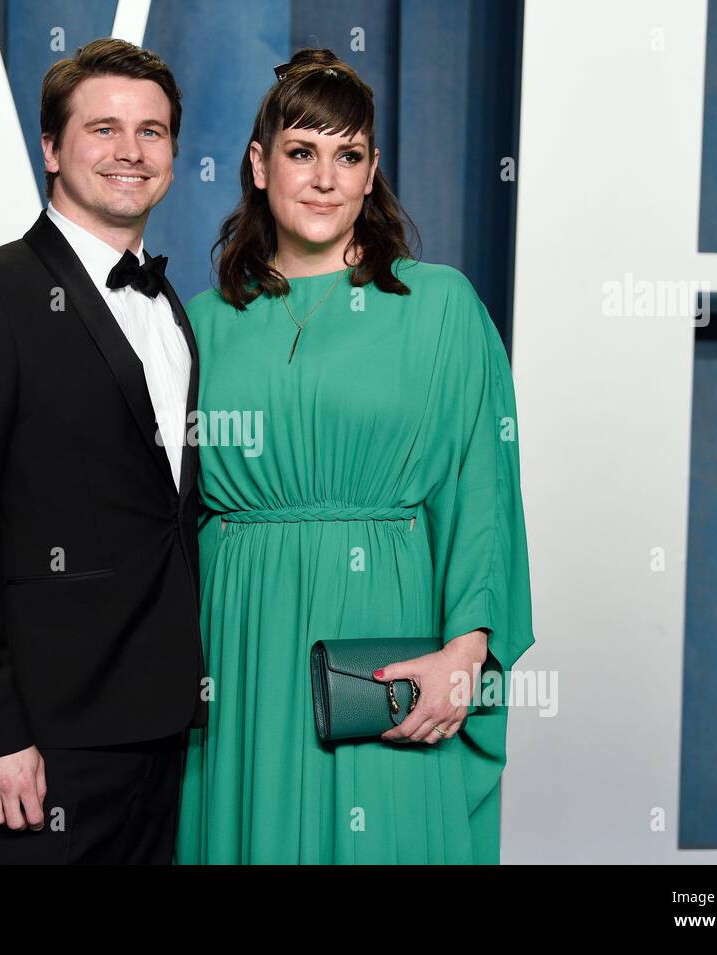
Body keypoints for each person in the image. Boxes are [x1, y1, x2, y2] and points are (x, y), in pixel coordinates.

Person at [175, 49, 536, 864]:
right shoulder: (197, 324)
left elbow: (481, 491)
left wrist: (465, 653)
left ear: (372, 174)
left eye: (348, 156)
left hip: (385, 640)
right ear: (259, 165)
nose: (324, 179)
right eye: (301, 152)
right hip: (238, 647)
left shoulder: (441, 307)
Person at [0, 38, 205, 864]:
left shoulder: (172, 309)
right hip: (38, 736)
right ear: (50, 148)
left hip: (160, 727)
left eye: (151, 131)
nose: (130, 150)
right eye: (103, 128)